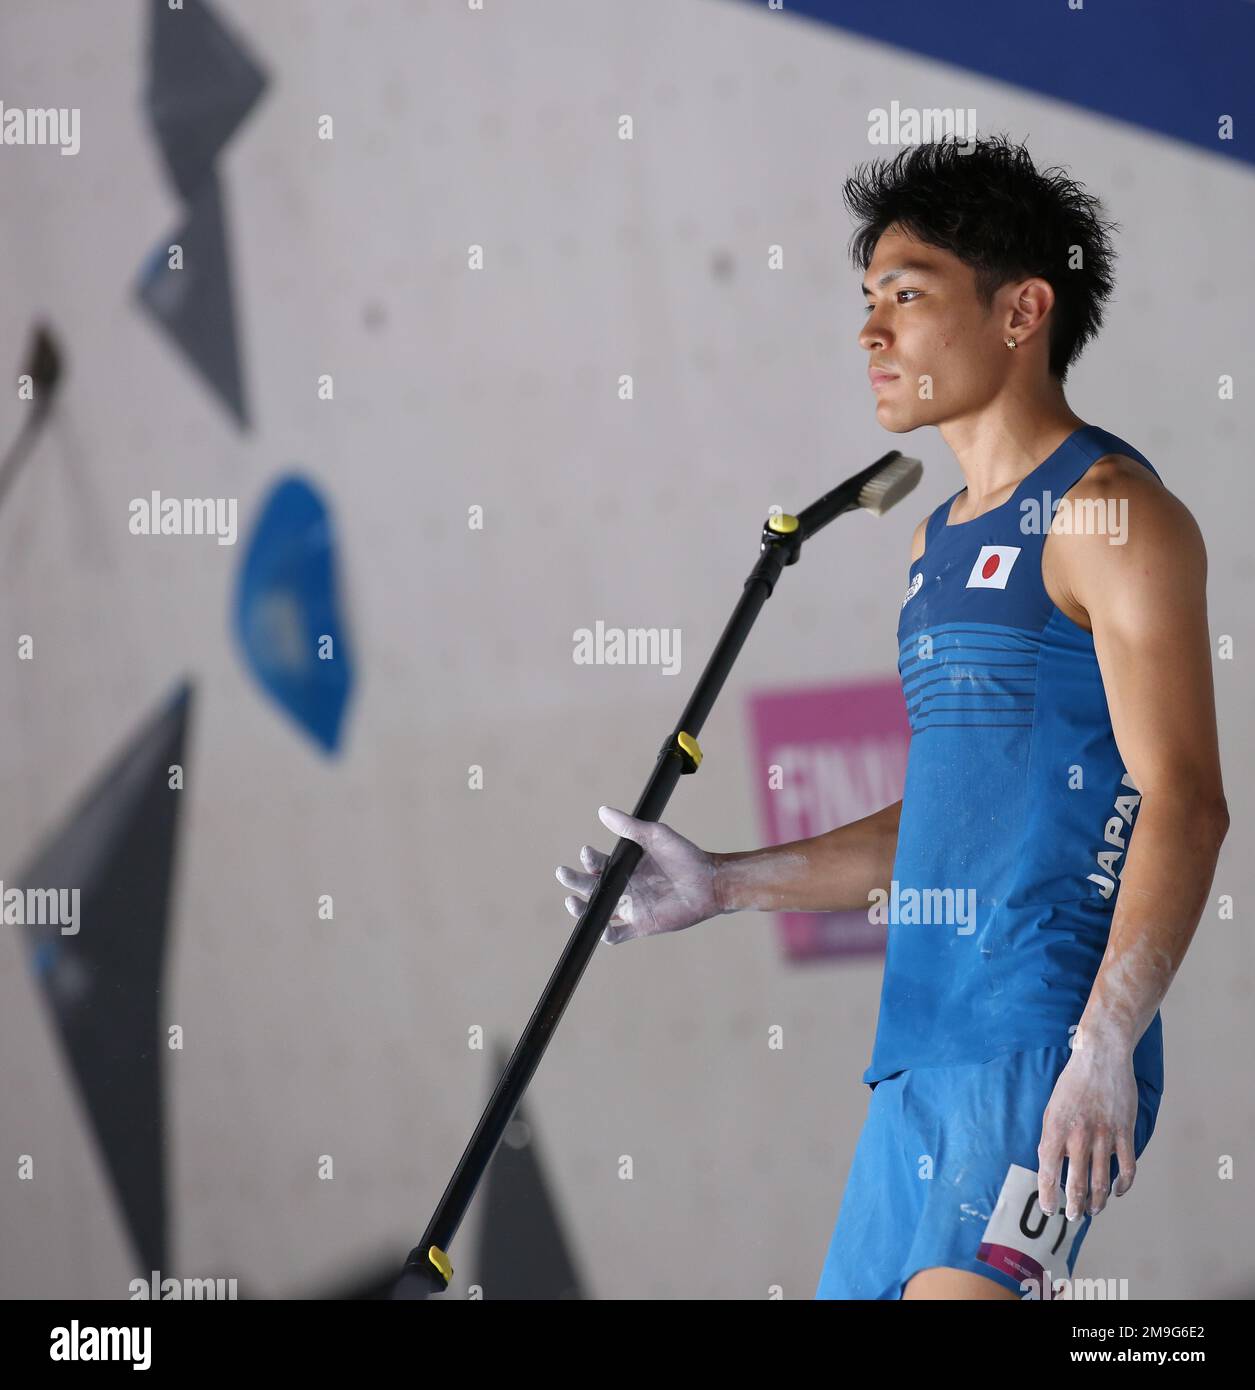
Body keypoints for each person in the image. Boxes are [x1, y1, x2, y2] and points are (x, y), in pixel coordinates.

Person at [555, 135, 1228, 1300]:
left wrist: (1106, 1039)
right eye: (865, 302)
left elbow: (1185, 798)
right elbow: (946, 830)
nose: (869, 333)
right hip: (912, 1064)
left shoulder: (1109, 513)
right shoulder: (933, 541)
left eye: (906, 299)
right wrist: (725, 881)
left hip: (1036, 1045)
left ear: (1022, 310)